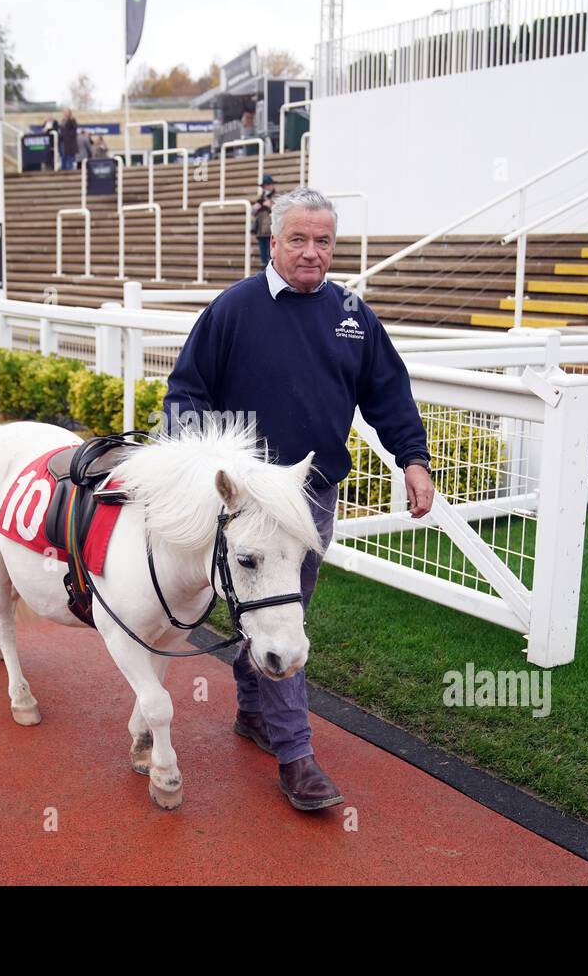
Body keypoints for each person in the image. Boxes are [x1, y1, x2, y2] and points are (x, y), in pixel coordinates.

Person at [162, 187, 434, 812]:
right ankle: (295, 753)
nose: (312, 253)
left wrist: (412, 459)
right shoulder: (233, 309)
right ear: (274, 241)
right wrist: (203, 467)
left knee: (278, 614)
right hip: (252, 503)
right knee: (282, 619)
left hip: (312, 497)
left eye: (324, 241)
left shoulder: (351, 312)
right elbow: (185, 394)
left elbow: (387, 391)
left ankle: (256, 711)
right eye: (299, 240)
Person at [253, 174, 277, 266]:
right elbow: (253, 213)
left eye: (268, 184)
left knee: (270, 254)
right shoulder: (260, 198)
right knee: (263, 256)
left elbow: (280, 211)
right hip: (260, 230)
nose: (266, 187)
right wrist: (255, 208)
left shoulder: (276, 197)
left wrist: (271, 205)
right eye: (264, 185)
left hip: (270, 230)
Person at [58, 107, 79, 172]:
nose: (65, 113)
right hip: (63, 142)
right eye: (64, 112)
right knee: (63, 157)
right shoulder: (62, 121)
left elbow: (74, 131)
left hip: (70, 144)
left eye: (66, 112)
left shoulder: (72, 120)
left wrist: (67, 135)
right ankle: (63, 170)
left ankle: (69, 171)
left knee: (69, 158)